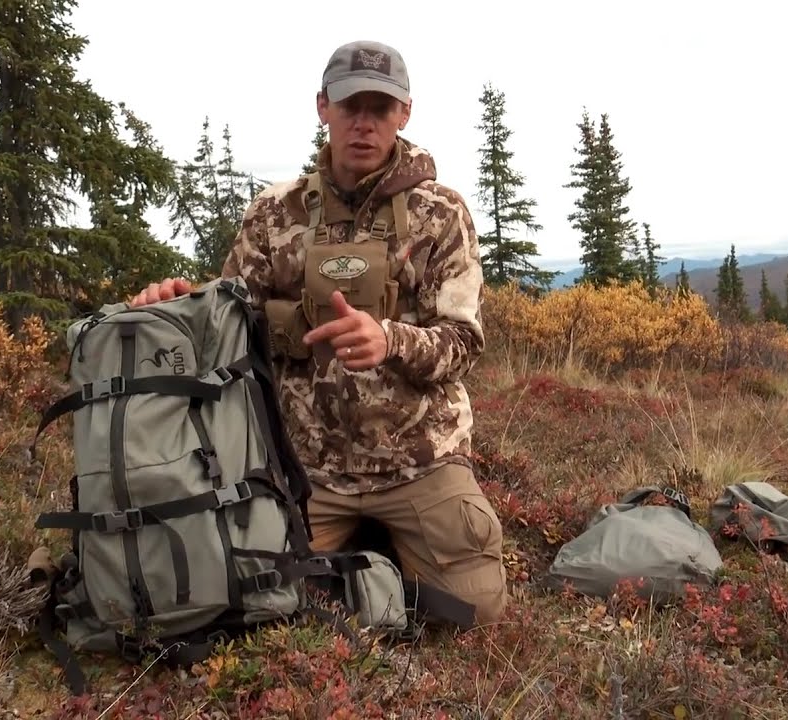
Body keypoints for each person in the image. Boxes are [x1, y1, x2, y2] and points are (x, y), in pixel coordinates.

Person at [129, 40, 508, 625]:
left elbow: (462, 343)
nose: (363, 122)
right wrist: (176, 305)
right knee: (248, 604)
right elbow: (227, 323)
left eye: (380, 108)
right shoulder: (275, 215)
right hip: (305, 470)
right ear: (322, 107)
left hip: (421, 460)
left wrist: (392, 341)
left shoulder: (442, 214)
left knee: (476, 613)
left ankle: (372, 559)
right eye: (350, 104)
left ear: (404, 113)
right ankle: (371, 563)